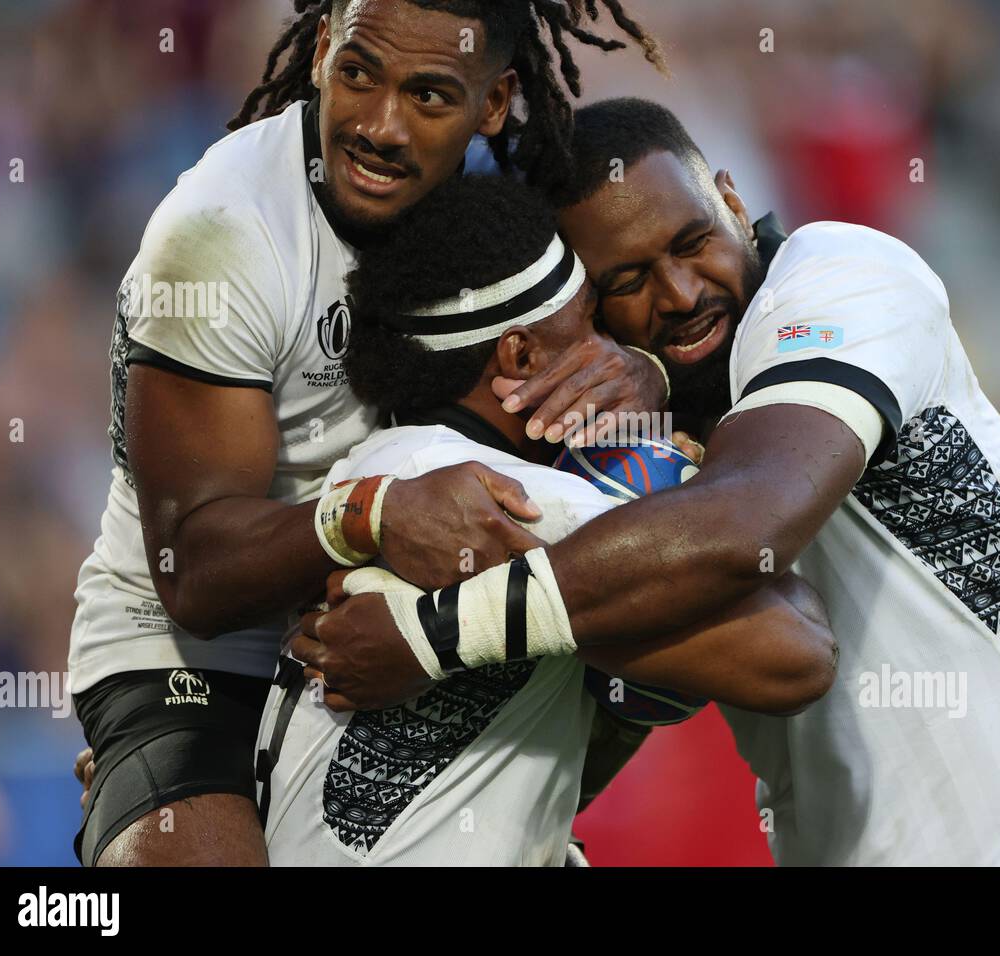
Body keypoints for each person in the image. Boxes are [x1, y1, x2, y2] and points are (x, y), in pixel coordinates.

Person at [301, 97, 1000, 866]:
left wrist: (435, 634)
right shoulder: (644, 460)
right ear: (583, 312)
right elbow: (636, 691)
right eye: (629, 282)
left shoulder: (839, 273)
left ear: (728, 195)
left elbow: (747, 530)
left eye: (691, 243)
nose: (681, 294)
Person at [69, 1, 668, 868]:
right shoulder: (218, 236)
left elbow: (682, 281)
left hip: (411, 605)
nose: (380, 126)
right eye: (357, 74)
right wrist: (372, 516)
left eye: (428, 95)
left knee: (650, 648)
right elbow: (190, 574)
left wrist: (642, 367)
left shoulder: (517, 191)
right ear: (320, 50)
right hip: (199, 655)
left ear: (495, 103)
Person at [259, 173, 835, 865]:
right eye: (591, 322)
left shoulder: (386, 468)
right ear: (522, 355)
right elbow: (796, 651)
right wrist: (664, 522)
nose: (614, 354)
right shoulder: (512, 498)